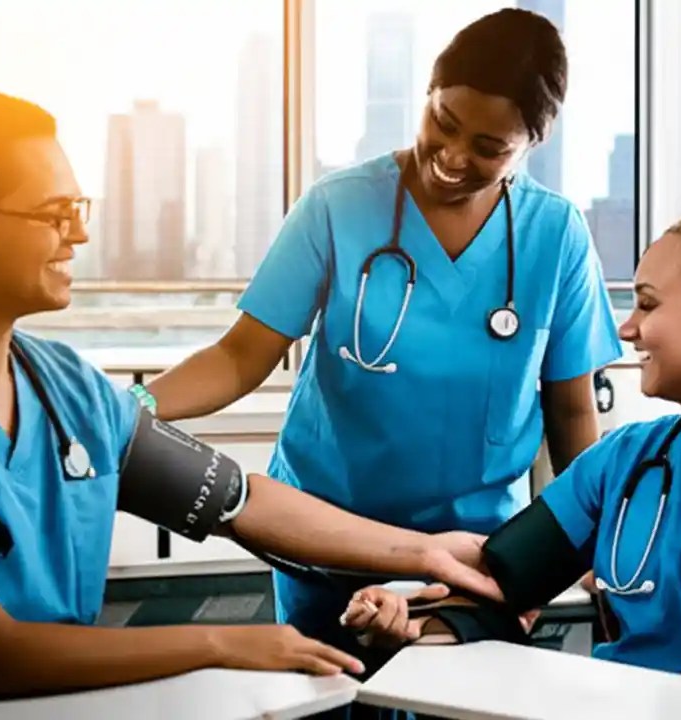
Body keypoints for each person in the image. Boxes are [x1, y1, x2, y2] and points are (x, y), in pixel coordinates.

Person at [0, 83, 501, 702]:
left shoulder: (65, 386)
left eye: (79, 210)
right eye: (55, 214)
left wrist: (426, 550)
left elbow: (241, 500)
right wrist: (223, 643)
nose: (79, 234)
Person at [143, 6, 621, 675]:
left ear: (531, 145)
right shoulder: (339, 205)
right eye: (443, 122)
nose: (452, 157)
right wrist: (128, 409)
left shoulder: (557, 234)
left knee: (458, 700)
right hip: (326, 534)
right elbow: (238, 356)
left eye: (488, 148)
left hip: (473, 556)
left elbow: (570, 410)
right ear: (427, 93)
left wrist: (595, 542)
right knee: (325, 691)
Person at [345, 212, 681, 719]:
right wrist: (410, 619)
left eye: (648, 305)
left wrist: (643, 708)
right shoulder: (627, 457)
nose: (628, 329)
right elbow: (506, 577)